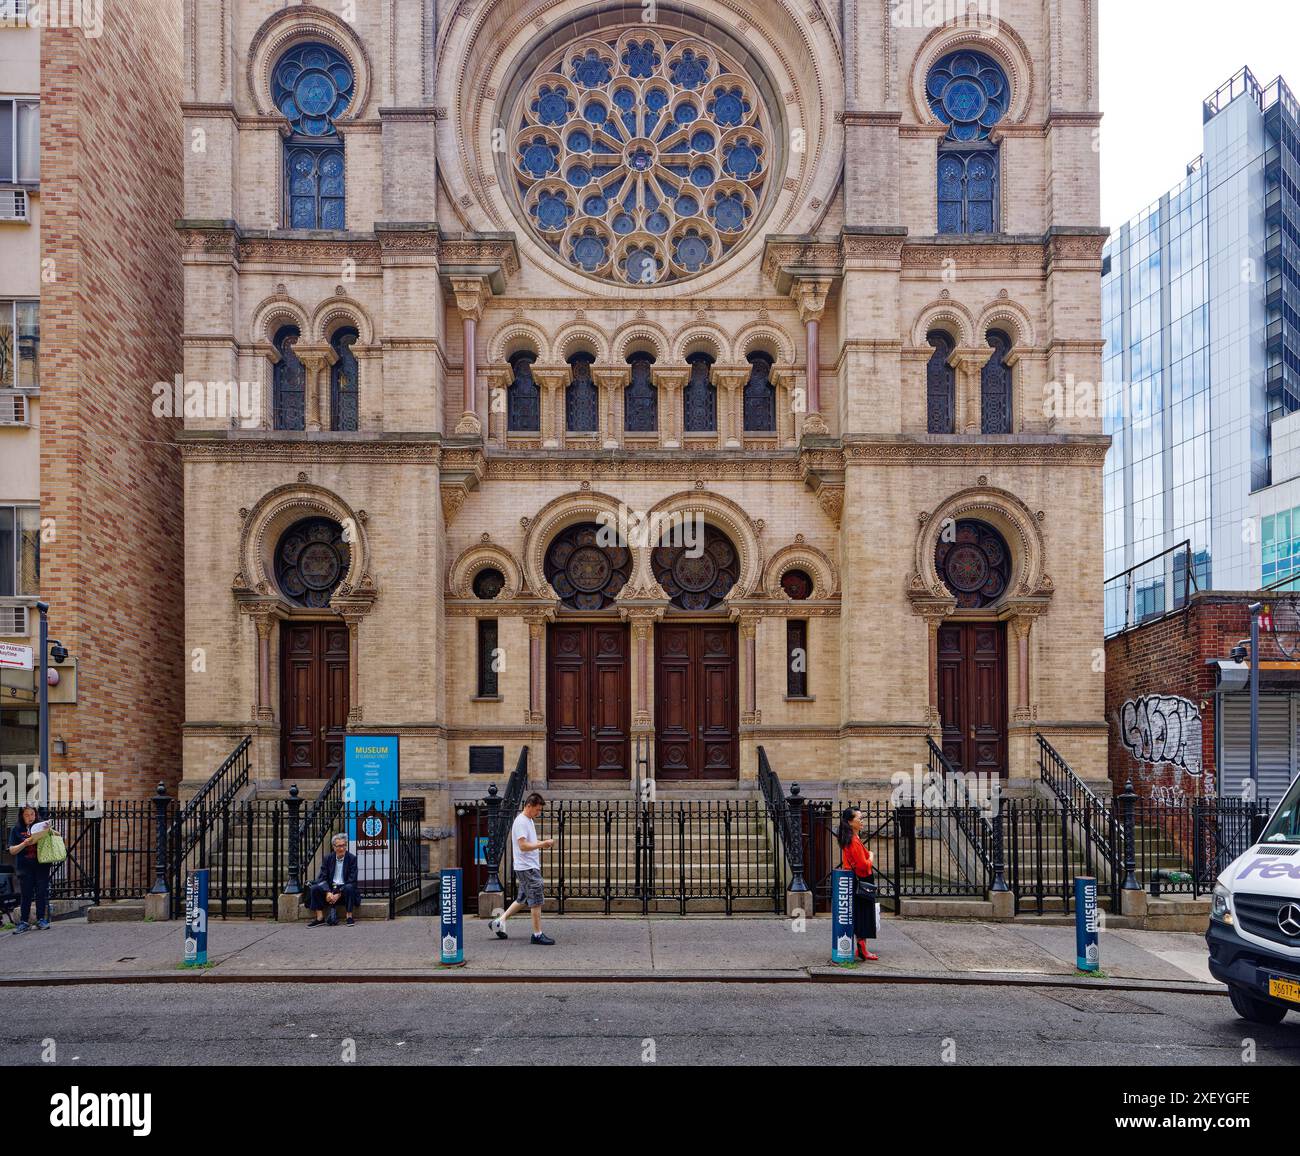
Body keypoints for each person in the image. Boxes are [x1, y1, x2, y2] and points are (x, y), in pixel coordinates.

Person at [488, 792, 556, 945]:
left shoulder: (528, 820)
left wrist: (542, 843)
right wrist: (542, 844)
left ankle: (498, 922)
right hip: (527, 868)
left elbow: (529, 841)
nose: (539, 813)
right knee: (536, 900)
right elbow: (523, 846)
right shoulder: (521, 822)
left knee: (523, 899)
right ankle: (537, 935)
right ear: (529, 806)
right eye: (537, 810)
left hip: (528, 866)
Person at [838, 807, 879, 961]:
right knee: (863, 915)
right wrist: (871, 856)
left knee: (861, 914)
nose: (861, 821)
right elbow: (863, 865)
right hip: (861, 880)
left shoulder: (851, 837)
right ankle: (862, 950)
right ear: (850, 821)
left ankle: (861, 948)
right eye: (859, 818)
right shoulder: (853, 840)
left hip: (857, 880)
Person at [7, 805, 55, 933]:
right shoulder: (16, 830)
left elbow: (57, 837)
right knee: (26, 894)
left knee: (41, 893)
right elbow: (12, 850)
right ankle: (23, 922)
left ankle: (41, 920)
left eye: (32, 814)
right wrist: (24, 843)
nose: (30, 817)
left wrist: (50, 831)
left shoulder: (41, 826)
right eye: (27, 815)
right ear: (22, 816)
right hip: (25, 867)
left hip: (42, 866)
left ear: (36, 815)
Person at [306, 833, 359, 927]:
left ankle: (349, 917)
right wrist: (327, 892)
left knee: (350, 887)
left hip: (344, 889)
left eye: (344, 845)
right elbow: (322, 877)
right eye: (339, 846)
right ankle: (320, 918)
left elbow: (352, 879)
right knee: (314, 888)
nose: (342, 848)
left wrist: (339, 893)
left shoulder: (352, 858)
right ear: (334, 847)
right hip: (330, 888)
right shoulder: (328, 858)